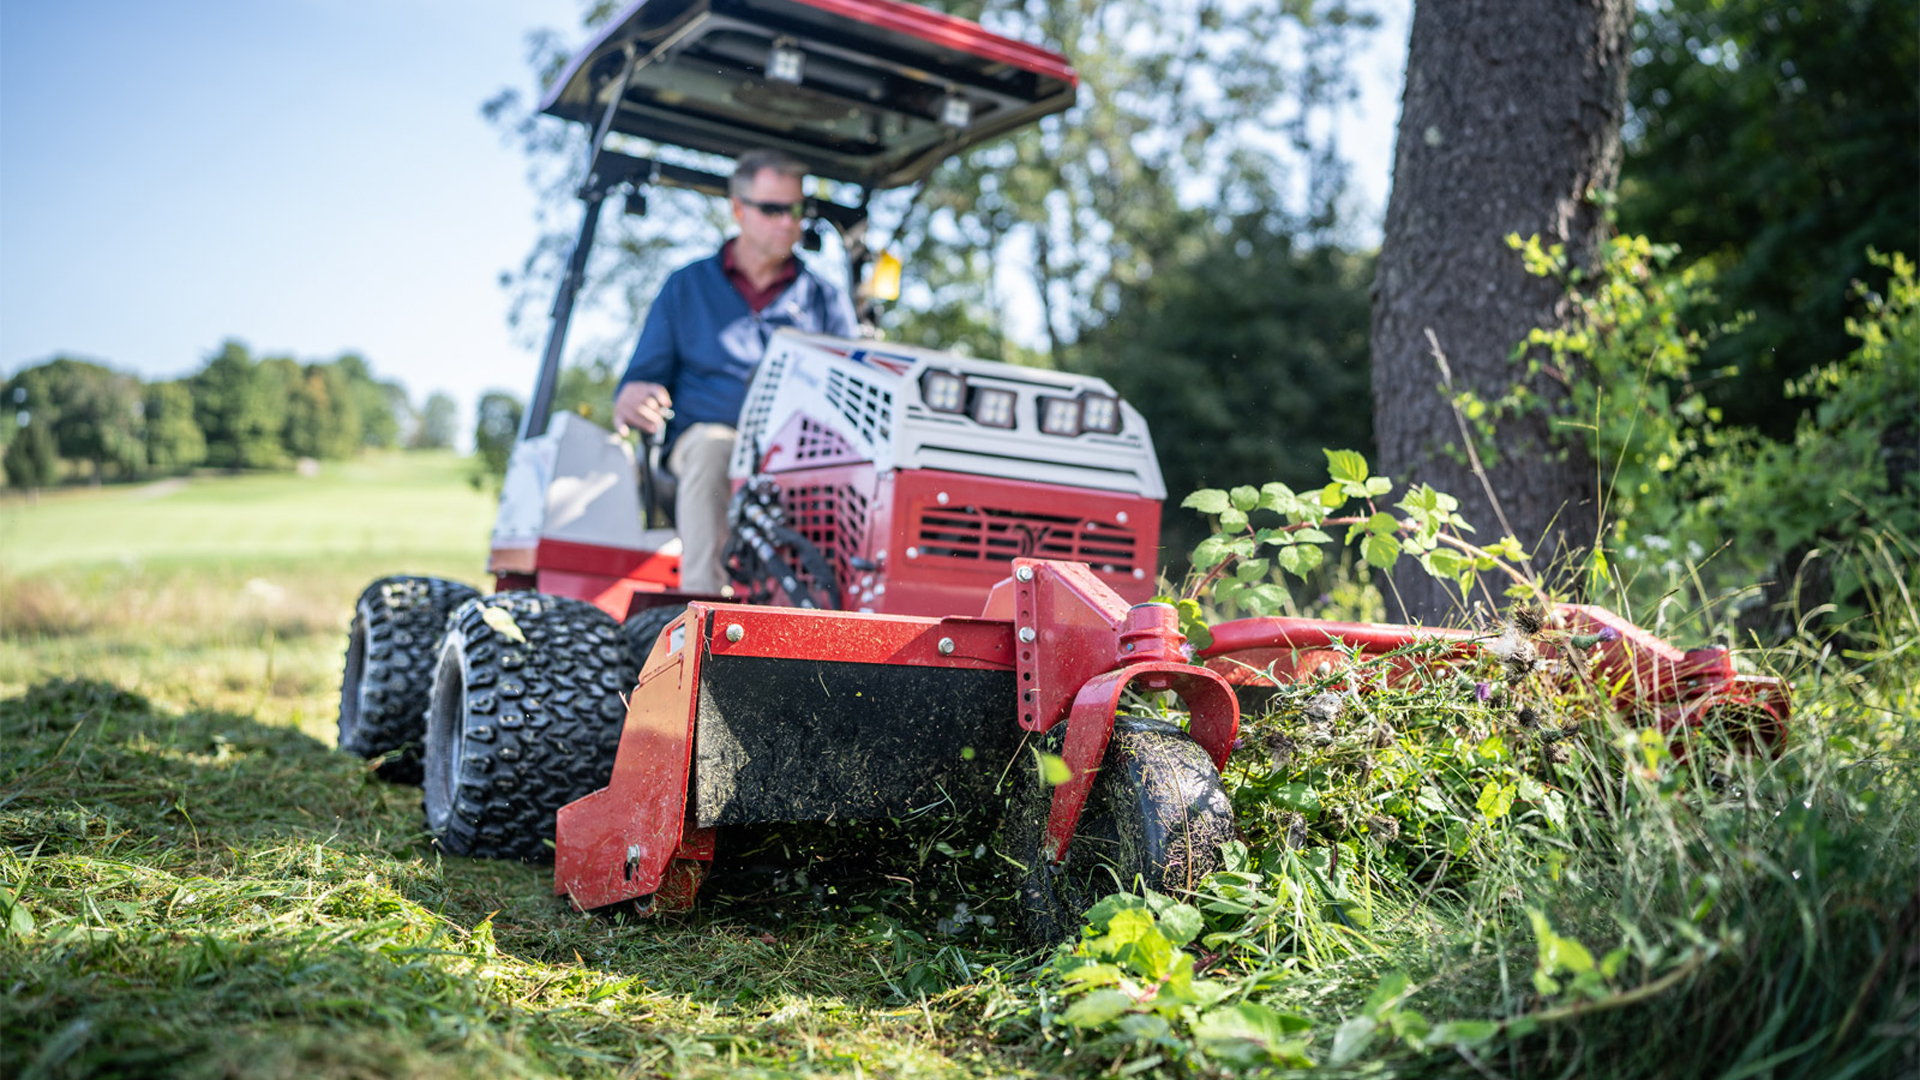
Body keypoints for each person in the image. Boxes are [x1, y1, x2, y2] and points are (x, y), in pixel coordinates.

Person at [613, 149, 856, 594]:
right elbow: (641, 378)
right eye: (773, 209)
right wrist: (633, 395)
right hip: (704, 443)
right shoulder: (686, 287)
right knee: (713, 448)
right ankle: (704, 609)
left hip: (801, 459)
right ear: (739, 209)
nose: (789, 222)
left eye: (798, 210)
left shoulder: (825, 299)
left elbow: (852, 394)